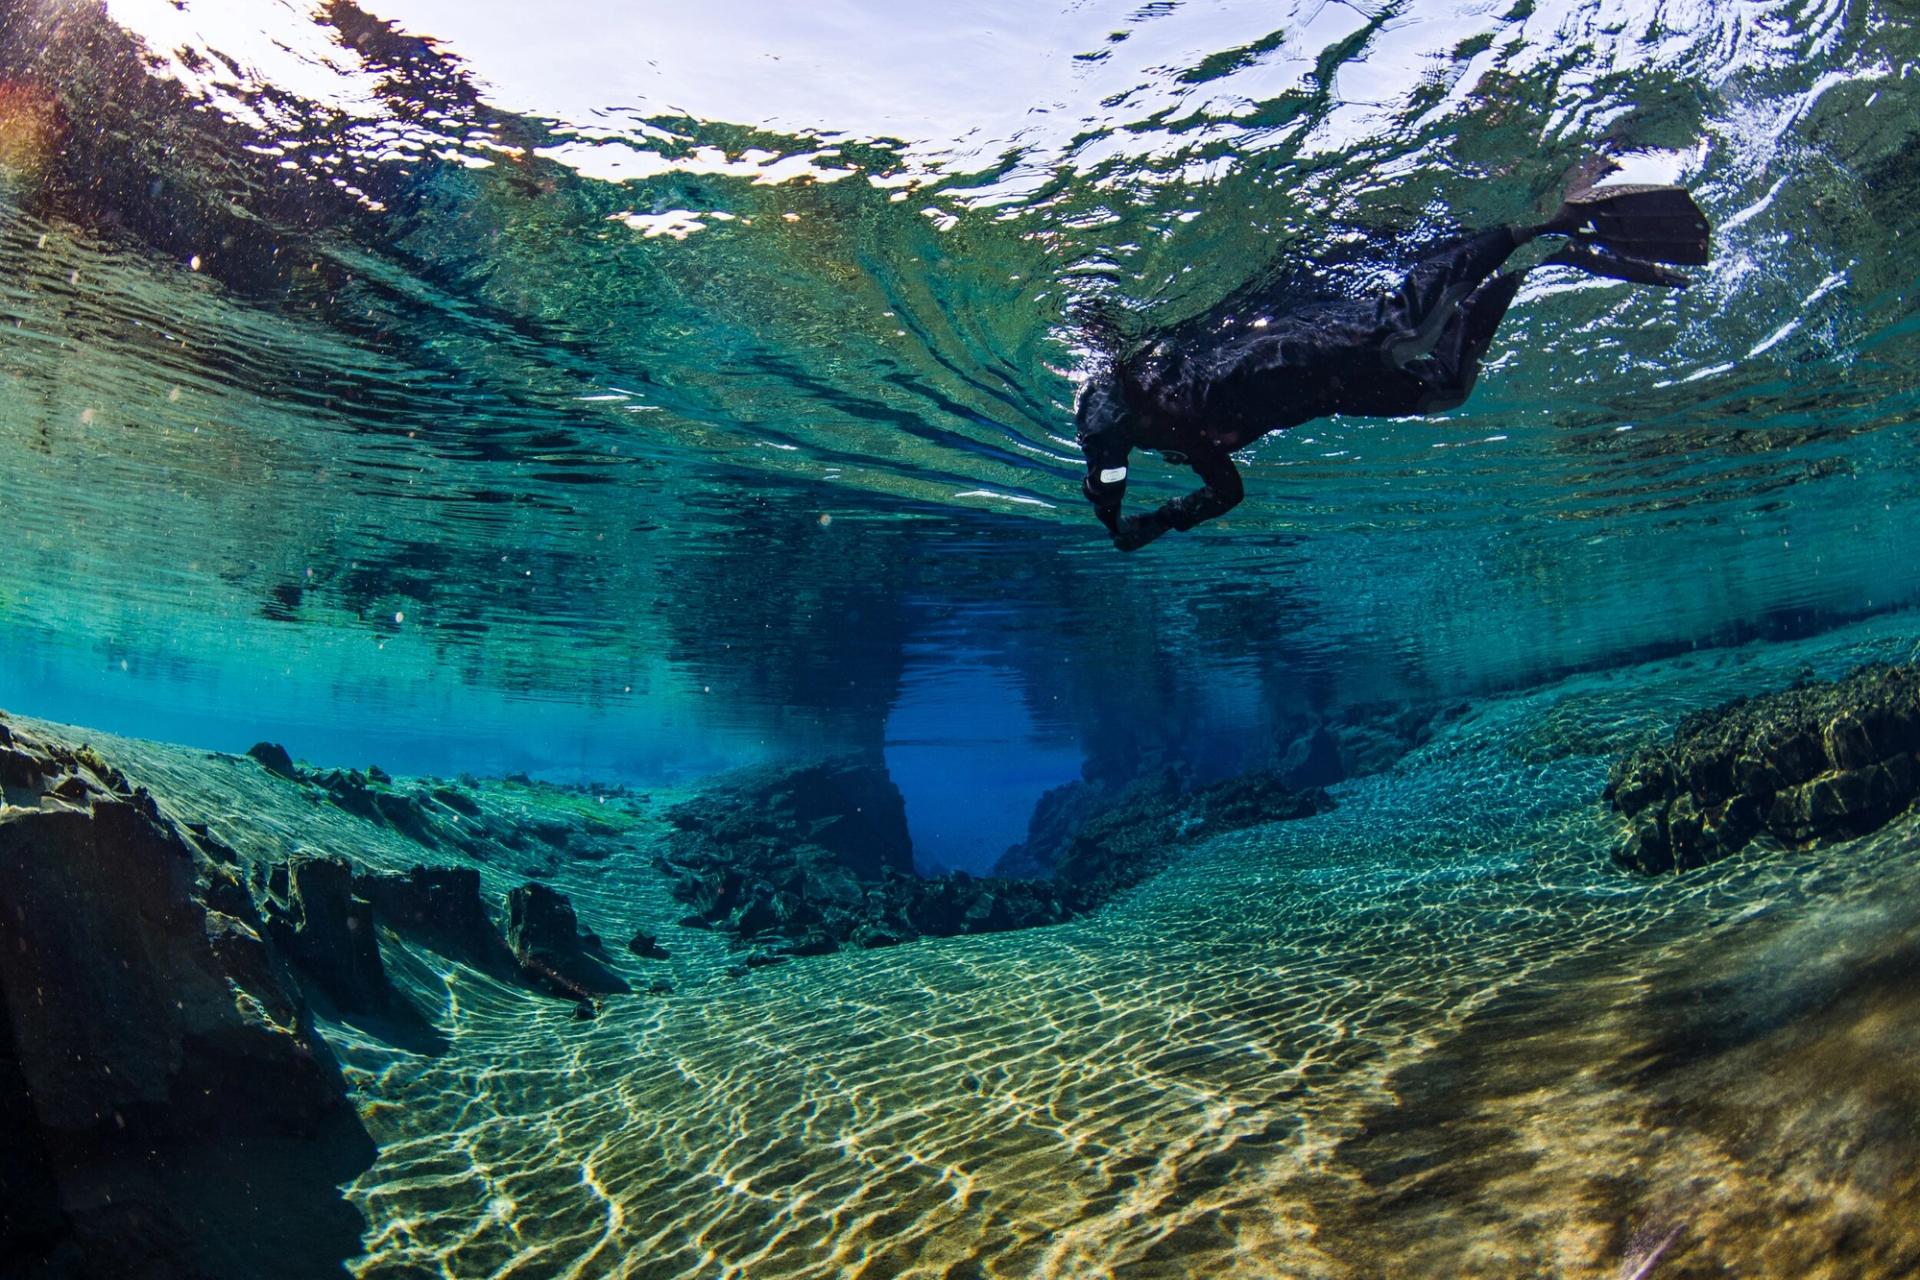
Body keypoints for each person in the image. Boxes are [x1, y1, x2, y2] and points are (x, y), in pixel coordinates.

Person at [1075, 183, 1712, 551]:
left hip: (1297, 349)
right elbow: (1222, 494)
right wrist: (1153, 523)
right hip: (1333, 389)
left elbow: (1107, 469)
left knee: (1403, 326)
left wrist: (1114, 515)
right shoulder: (1188, 443)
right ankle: (1545, 261)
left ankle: (1547, 216)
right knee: (1446, 389)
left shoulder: (1125, 410)